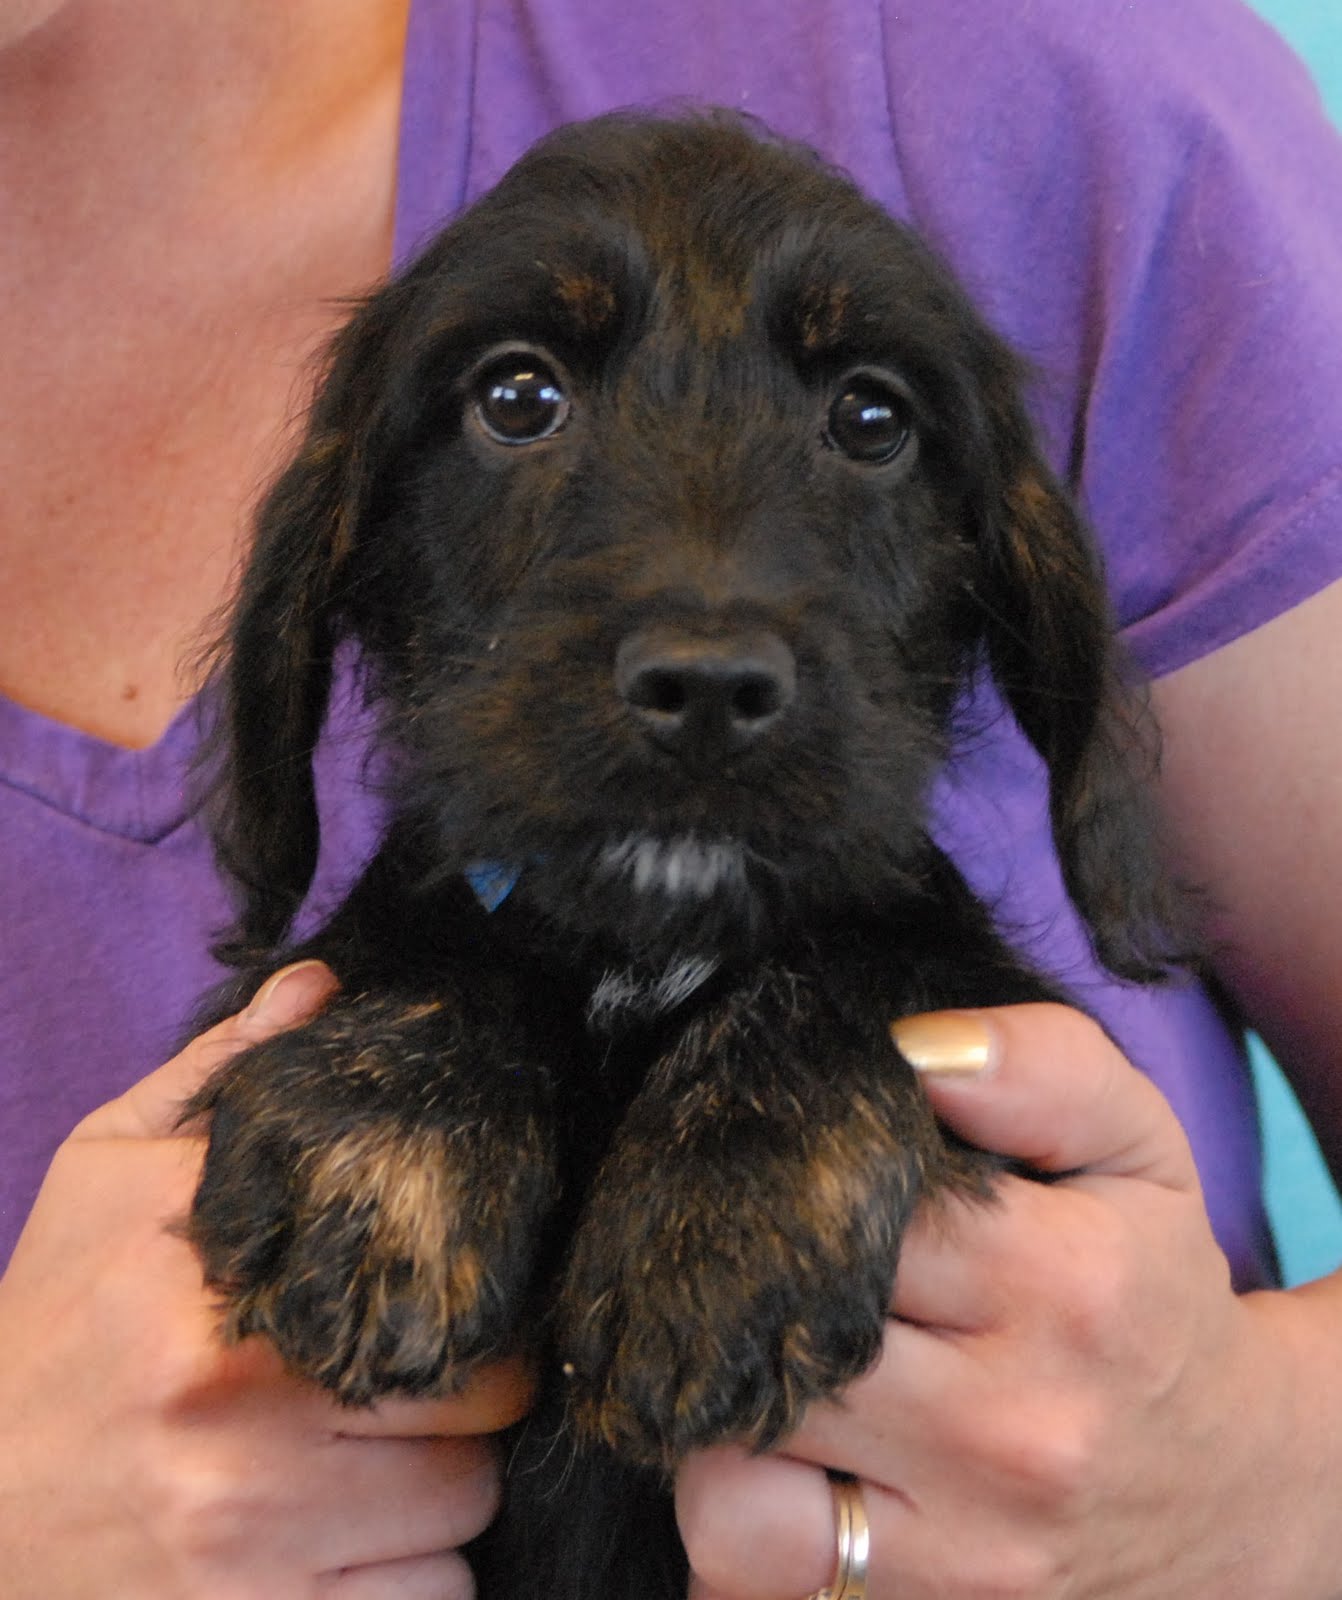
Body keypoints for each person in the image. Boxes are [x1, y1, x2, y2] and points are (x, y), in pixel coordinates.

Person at [2, 0, 1340, 1594]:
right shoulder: (375, 1035)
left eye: (866, 423)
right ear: (335, 576)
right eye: (517, 402)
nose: (705, 642)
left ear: (1013, 593)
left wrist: (1265, 1473)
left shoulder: (1041, 68)